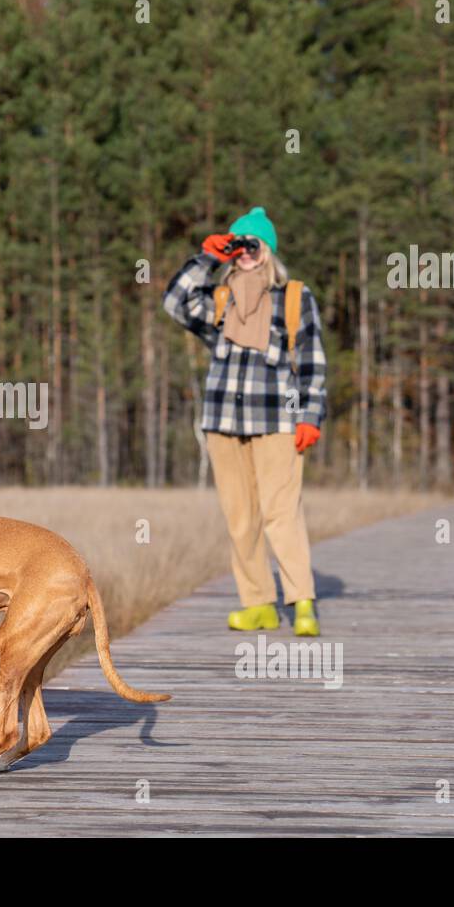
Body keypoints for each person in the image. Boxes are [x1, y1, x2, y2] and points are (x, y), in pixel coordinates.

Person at [162, 206, 327, 636]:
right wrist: (207, 259)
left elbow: (312, 362)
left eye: (252, 245)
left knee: (281, 514)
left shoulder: (293, 297)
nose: (245, 253)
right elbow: (174, 302)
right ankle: (258, 603)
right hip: (223, 421)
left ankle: (302, 601)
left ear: (268, 250)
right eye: (238, 246)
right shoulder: (220, 298)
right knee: (241, 517)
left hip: (277, 420)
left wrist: (310, 416)